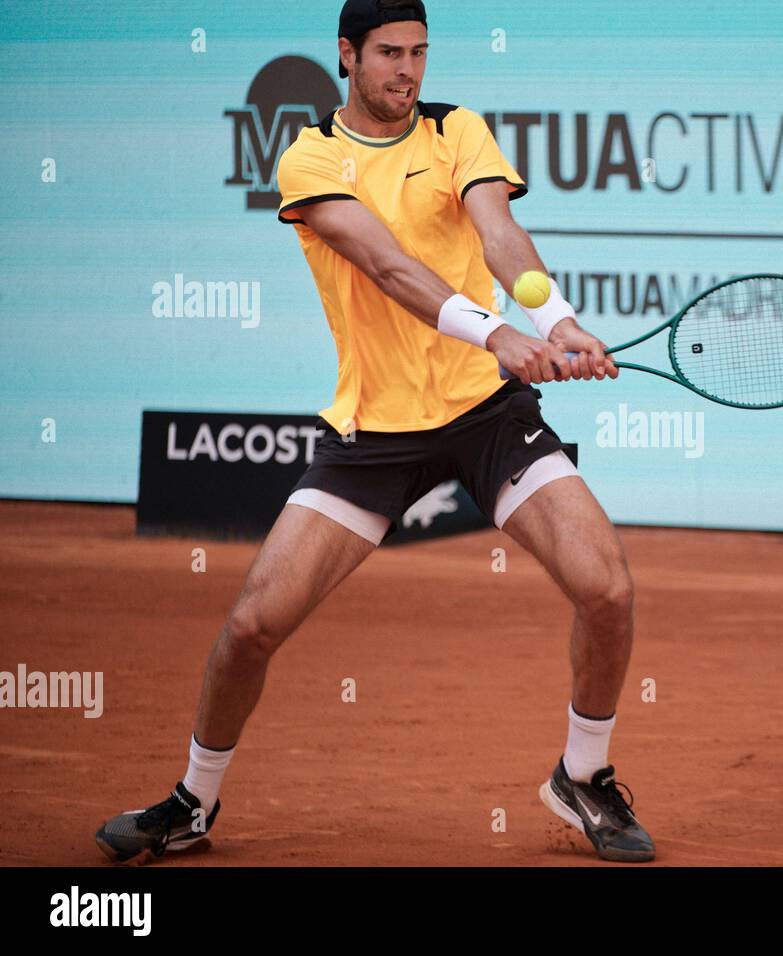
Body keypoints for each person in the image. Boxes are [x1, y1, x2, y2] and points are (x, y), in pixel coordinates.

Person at [95, 0, 653, 865]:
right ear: (347, 56)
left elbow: (500, 234)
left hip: (488, 415)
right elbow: (389, 266)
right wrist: (499, 336)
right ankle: (192, 801)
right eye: (390, 52)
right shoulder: (311, 158)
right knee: (252, 625)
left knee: (607, 589)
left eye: (419, 52)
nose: (408, 70)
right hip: (374, 434)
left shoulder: (457, 130)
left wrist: (557, 320)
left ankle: (582, 775)